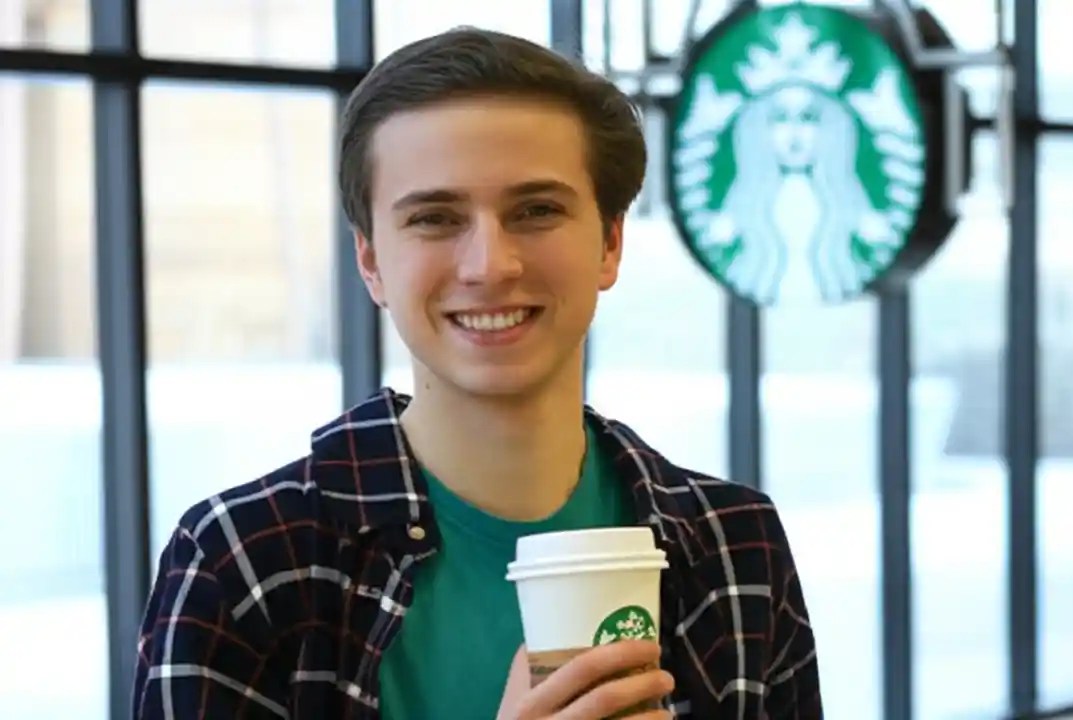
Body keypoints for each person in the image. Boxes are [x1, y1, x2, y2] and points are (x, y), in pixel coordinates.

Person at [132, 26, 822, 719]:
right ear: (371, 261)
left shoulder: (736, 546)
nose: (490, 265)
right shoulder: (246, 563)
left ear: (610, 241)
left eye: (536, 211)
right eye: (435, 218)